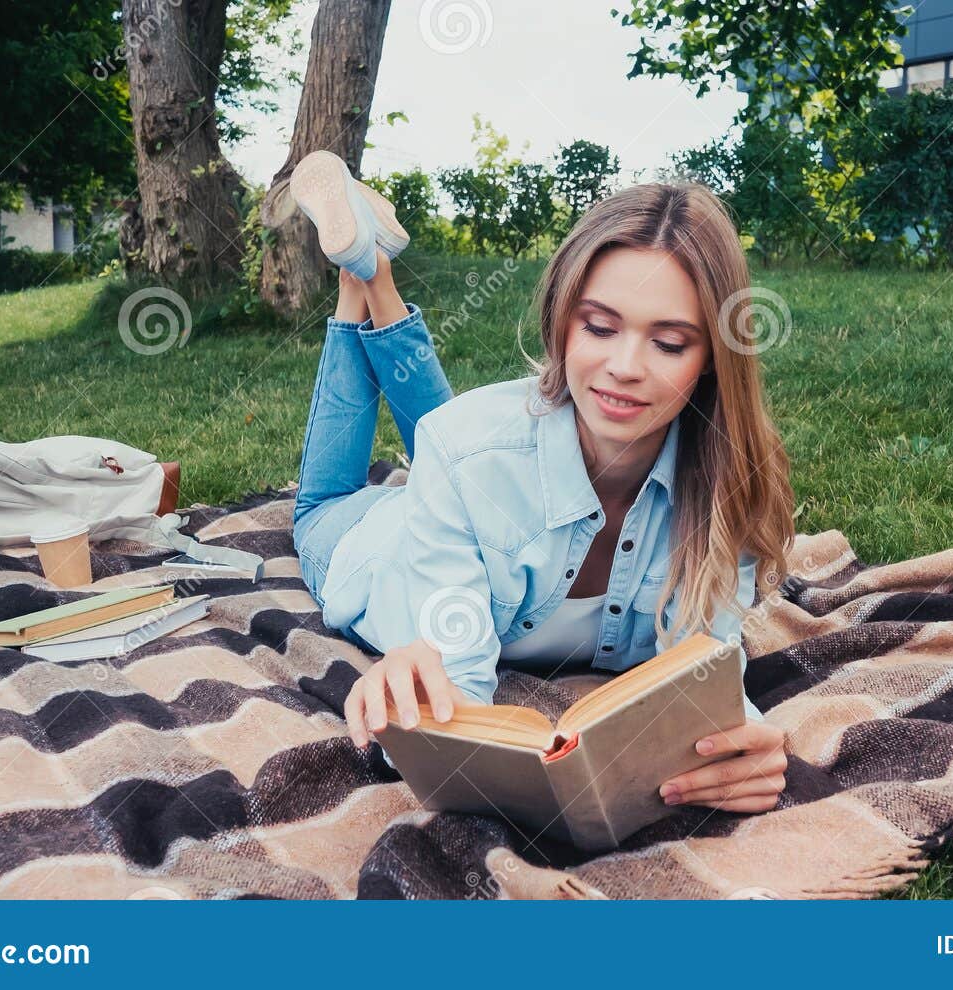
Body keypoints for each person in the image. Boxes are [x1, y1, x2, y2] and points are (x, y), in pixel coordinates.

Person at [288, 151, 796, 814]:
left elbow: (703, 679)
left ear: (711, 360)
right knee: (337, 494)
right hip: (366, 543)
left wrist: (743, 744)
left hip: (465, 489)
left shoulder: (730, 486)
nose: (624, 367)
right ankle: (358, 284)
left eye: (669, 342)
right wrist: (409, 720)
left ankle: (370, 271)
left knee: (463, 446)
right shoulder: (465, 450)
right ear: (562, 320)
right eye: (599, 326)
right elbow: (458, 698)